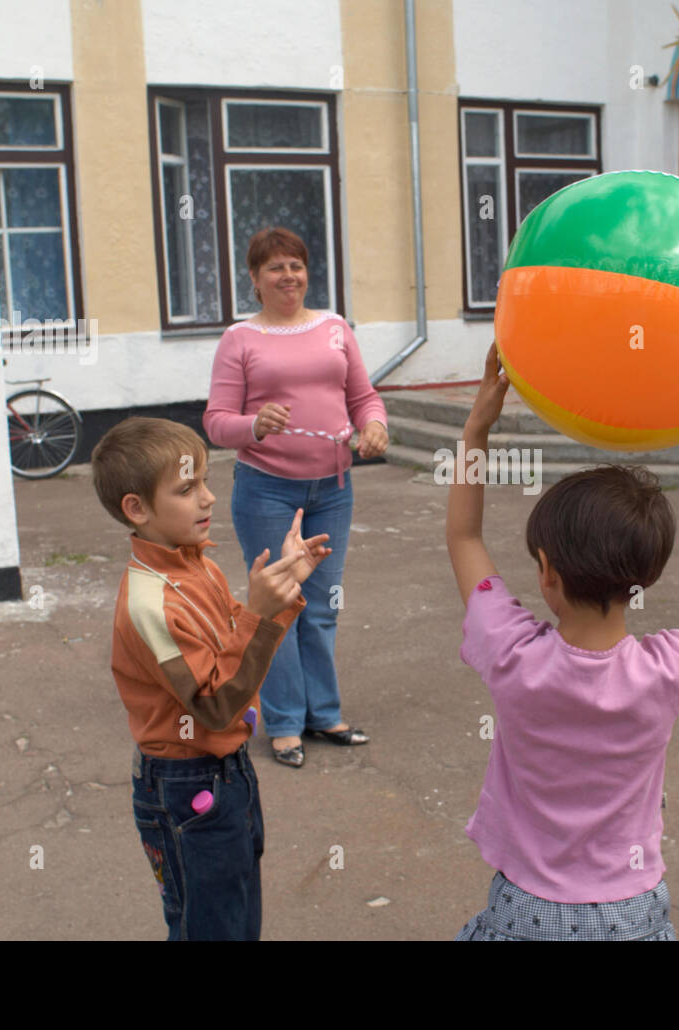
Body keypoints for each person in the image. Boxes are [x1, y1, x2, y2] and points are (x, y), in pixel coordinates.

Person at [446, 343, 679, 940]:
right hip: (633, 911)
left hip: (528, 909)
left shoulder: (509, 652)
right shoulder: (670, 669)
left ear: (546, 574)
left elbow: (465, 537)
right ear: (644, 578)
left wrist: (477, 428)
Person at [91, 416, 331, 940]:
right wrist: (260, 616)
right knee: (210, 928)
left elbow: (230, 658)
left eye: (206, 481)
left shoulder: (201, 566)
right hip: (185, 785)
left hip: (229, 772)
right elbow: (216, 705)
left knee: (236, 920)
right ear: (137, 509)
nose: (207, 499)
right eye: (186, 488)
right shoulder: (149, 604)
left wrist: (281, 592)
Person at [204, 227, 388, 768]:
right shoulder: (240, 339)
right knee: (280, 604)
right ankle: (284, 722)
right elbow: (216, 423)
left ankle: (324, 714)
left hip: (332, 490)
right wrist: (254, 425)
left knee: (323, 606)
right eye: (275, 268)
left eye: (296, 265)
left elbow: (363, 396)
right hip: (266, 491)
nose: (288, 276)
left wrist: (373, 425)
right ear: (255, 280)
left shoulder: (335, 328)